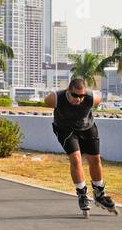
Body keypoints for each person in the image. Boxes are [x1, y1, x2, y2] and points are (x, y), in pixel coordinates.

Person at [44, 76, 117, 217]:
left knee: (95, 160)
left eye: (81, 96)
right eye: (75, 96)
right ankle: (82, 194)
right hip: (65, 129)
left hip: (87, 127)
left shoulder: (92, 98)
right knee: (76, 159)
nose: (78, 99)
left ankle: (99, 194)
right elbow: (46, 103)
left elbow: (99, 97)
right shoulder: (55, 98)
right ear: (68, 91)